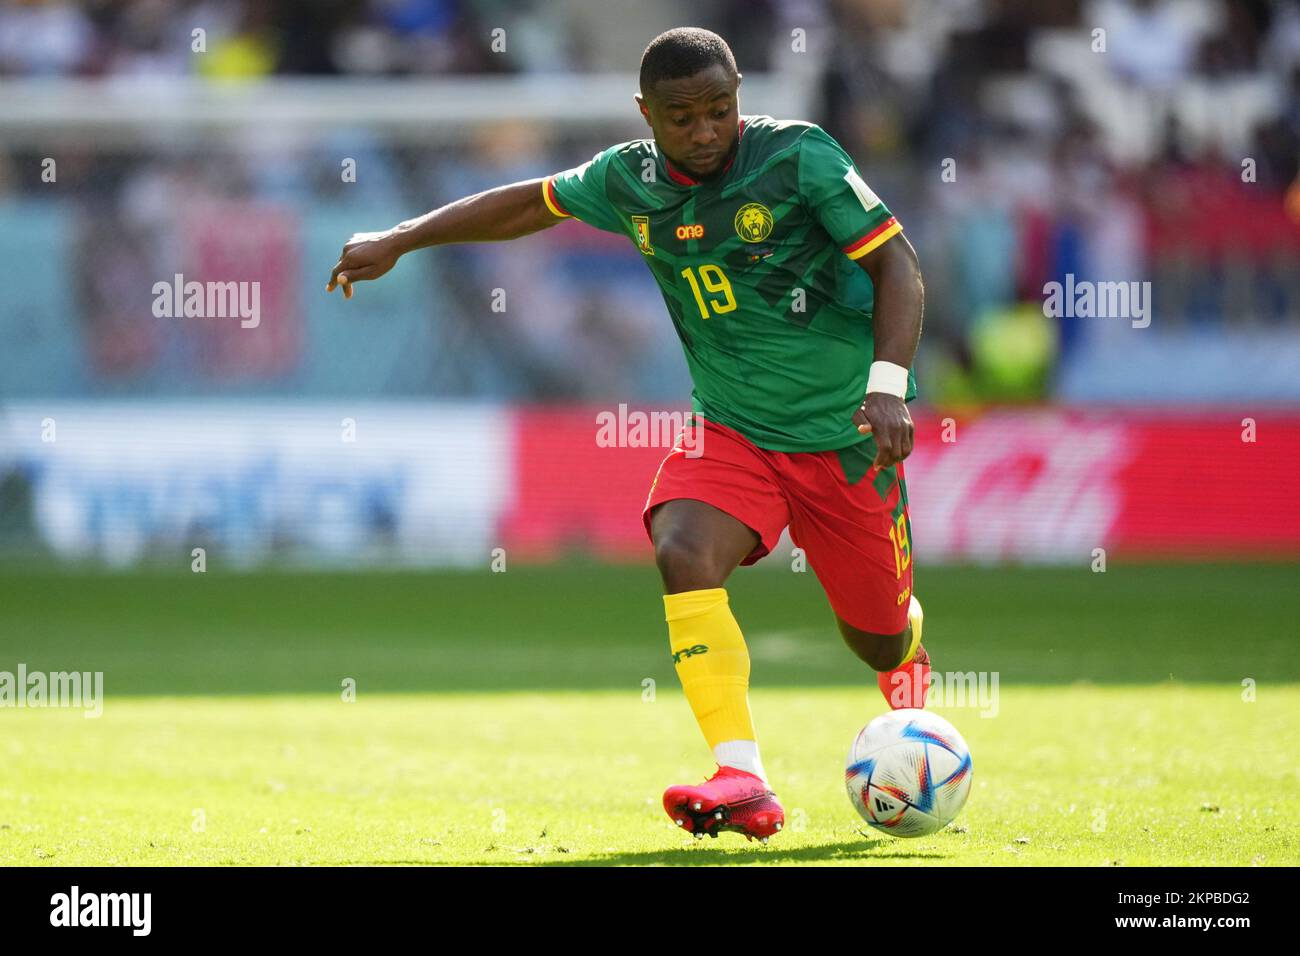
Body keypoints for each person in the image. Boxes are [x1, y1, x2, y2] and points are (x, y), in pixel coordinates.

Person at [326, 27, 929, 843]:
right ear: (645, 113)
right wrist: (400, 238)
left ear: (739, 95)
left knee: (876, 637)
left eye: (720, 110)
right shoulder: (627, 180)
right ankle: (743, 774)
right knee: (681, 546)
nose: (706, 130)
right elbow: (524, 203)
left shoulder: (799, 158)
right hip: (735, 429)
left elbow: (898, 266)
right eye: (682, 117)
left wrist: (886, 386)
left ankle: (905, 649)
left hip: (846, 436)